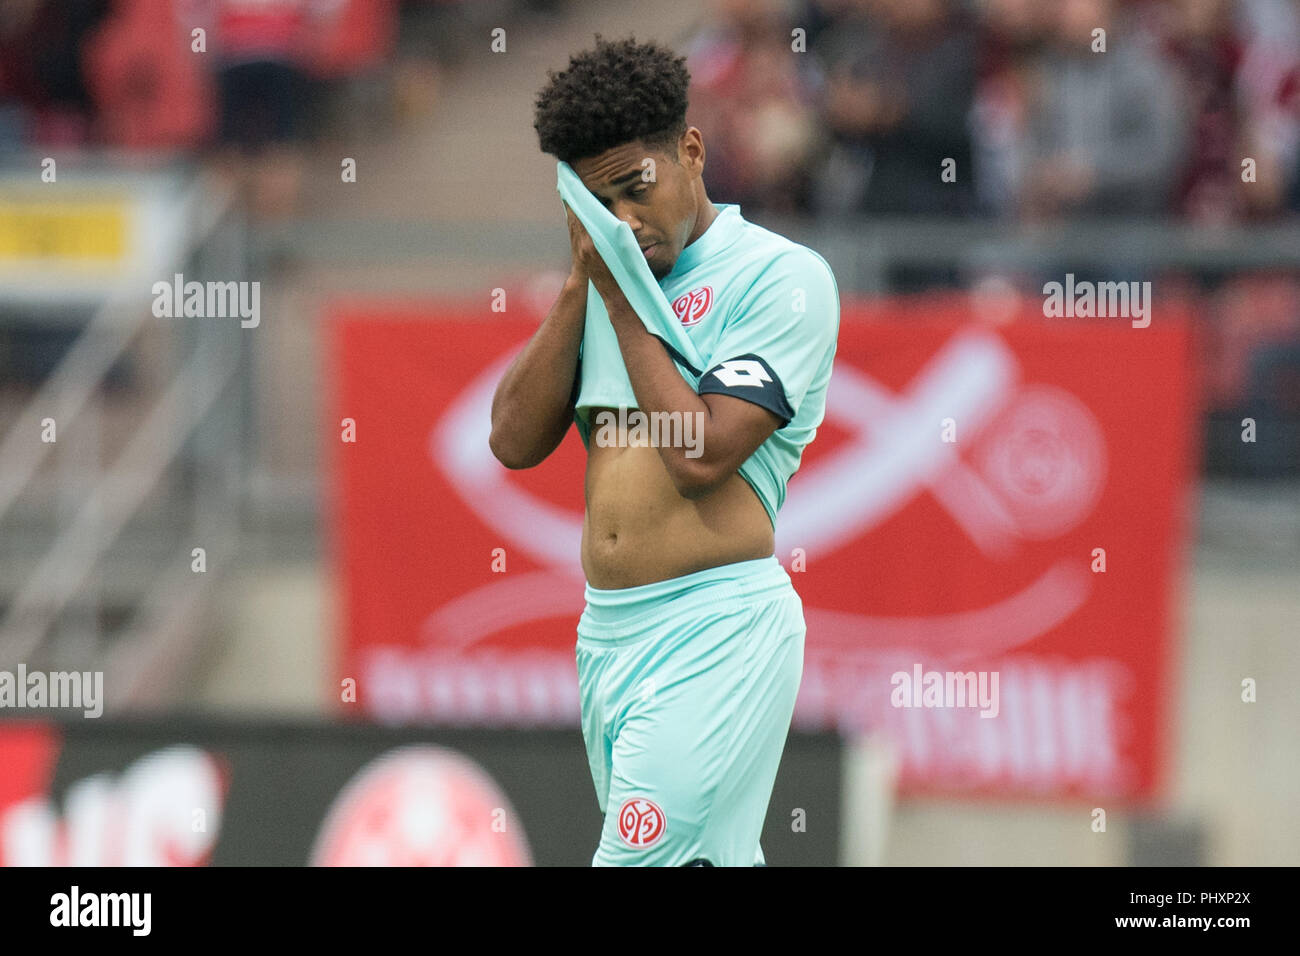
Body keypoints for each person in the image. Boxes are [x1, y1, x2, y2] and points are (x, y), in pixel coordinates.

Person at [490, 35, 839, 866]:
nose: (623, 221)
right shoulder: (602, 281)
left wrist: (618, 295)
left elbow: (701, 454)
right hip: (607, 639)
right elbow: (510, 439)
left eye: (634, 188)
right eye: (595, 203)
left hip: (716, 628)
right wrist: (582, 284)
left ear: (689, 151)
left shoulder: (780, 277)